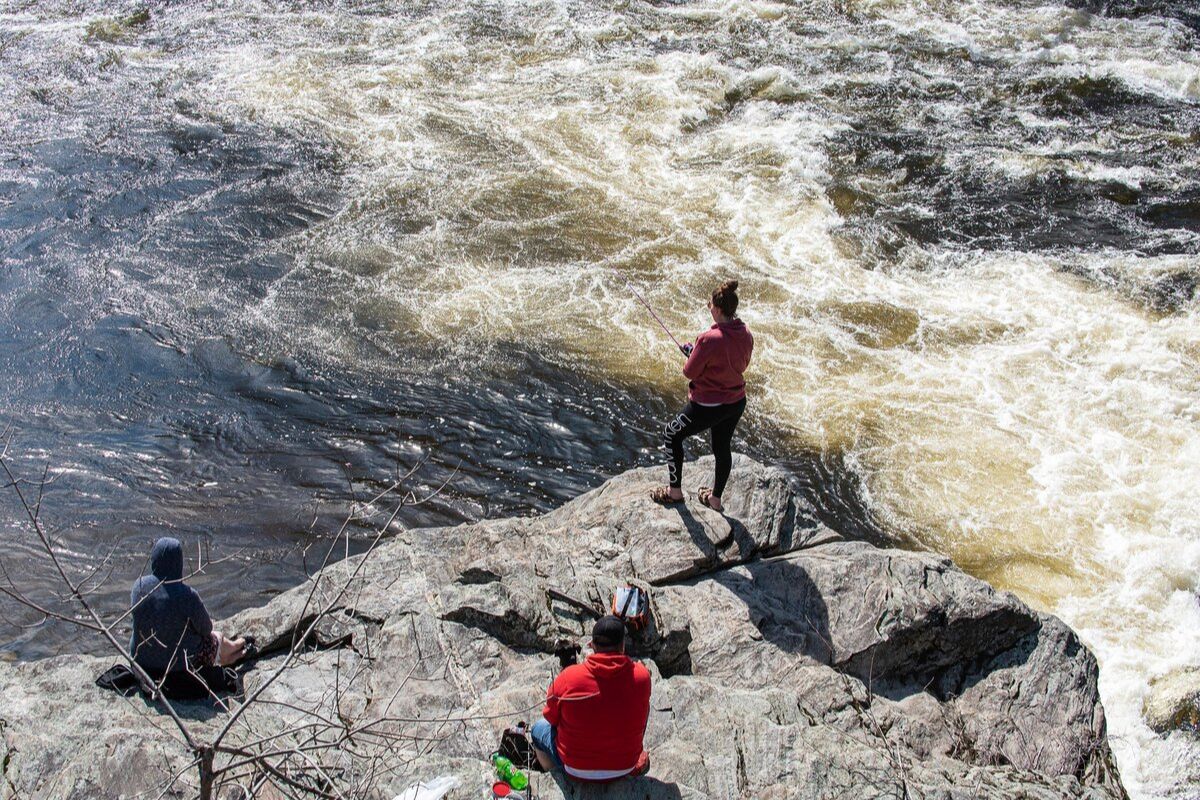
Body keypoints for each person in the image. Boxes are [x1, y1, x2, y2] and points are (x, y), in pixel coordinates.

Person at [652, 279, 753, 512]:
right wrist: (698, 353)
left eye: (710, 306)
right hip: (736, 402)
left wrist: (692, 353)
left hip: (708, 405)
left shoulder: (708, 338)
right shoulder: (745, 333)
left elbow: (689, 372)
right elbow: (740, 363)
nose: (709, 309)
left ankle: (674, 492)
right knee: (721, 446)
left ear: (717, 309)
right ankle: (715, 499)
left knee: (671, 434)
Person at [531, 616, 652, 782]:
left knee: (538, 729)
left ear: (593, 645)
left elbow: (551, 718)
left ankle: (556, 777)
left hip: (575, 769)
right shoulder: (642, 677)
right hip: (625, 766)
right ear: (622, 646)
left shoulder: (569, 677)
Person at [129, 537, 246, 695]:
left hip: (142, 663)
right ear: (179, 563)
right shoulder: (187, 596)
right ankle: (240, 648)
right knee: (215, 638)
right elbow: (206, 629)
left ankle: (236, 650)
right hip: (177, 668)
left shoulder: (139, 587)